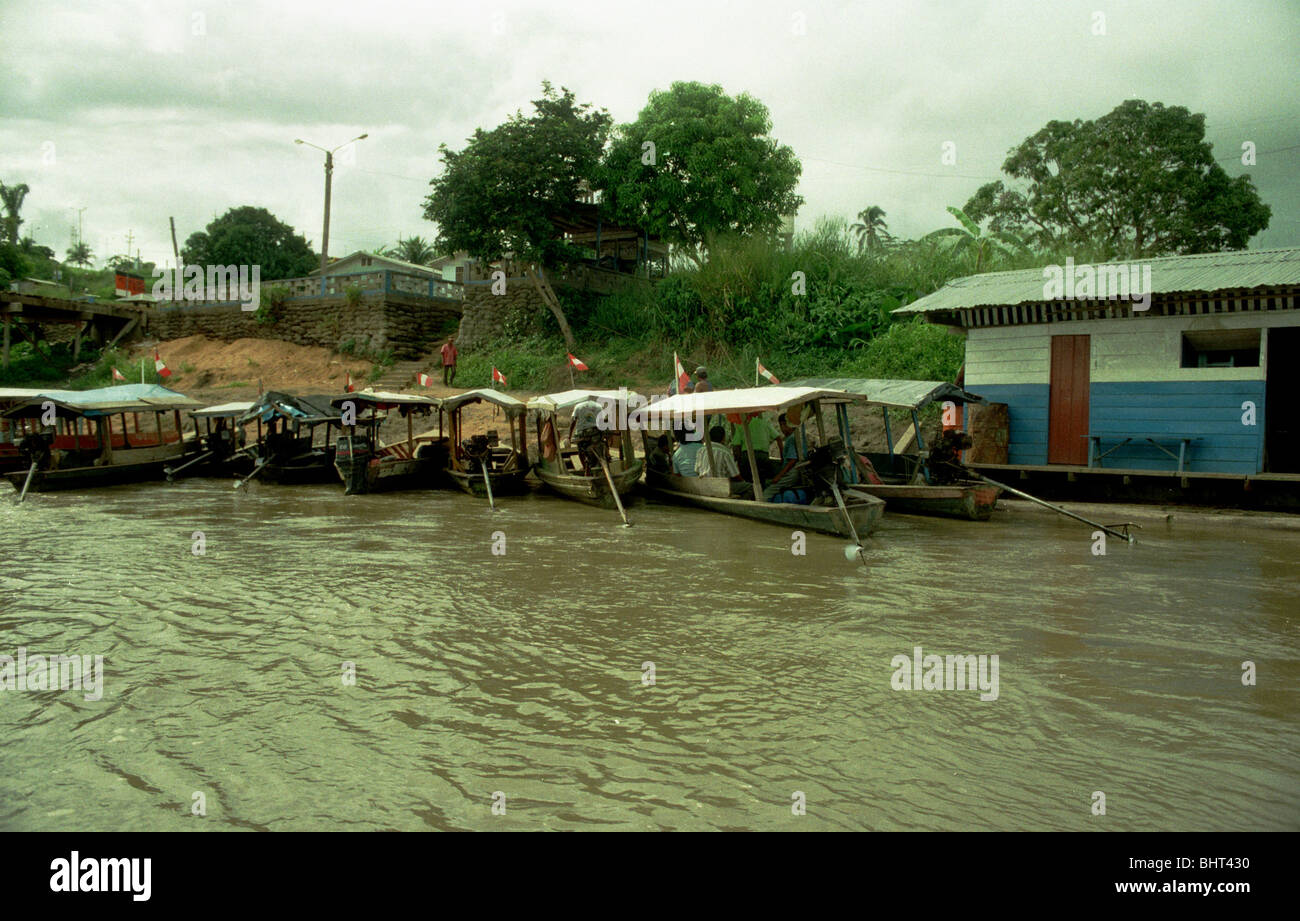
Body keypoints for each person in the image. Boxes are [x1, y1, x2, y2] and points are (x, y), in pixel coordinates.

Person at [568, 396, 605, 474]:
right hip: (595, 432)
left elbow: (573, 422)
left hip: (582, 433)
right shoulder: (598, 406)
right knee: (598, 449)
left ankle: (585, 467)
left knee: (581, 451)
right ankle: (598, 468)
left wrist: (569, 436)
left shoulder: (578, 406)